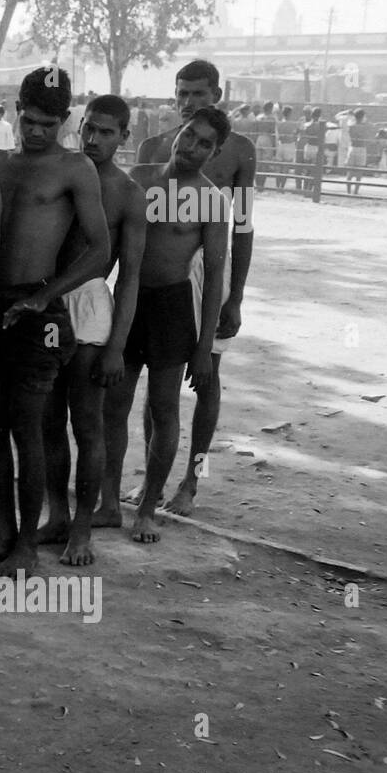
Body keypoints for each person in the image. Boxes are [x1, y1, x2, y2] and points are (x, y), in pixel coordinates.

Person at [0, 66, 109, 578]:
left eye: (47, 122)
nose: (36, 130)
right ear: (15, 111)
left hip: (39, 310)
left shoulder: (74, 168)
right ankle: (1, 535)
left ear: (65, 120)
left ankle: (26, 544)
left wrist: (48, 294)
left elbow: (99, 247)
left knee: (30, 430)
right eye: (29, 119)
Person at [135, 59, 255, 518]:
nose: (188, 104)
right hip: (161, 279)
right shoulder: (153, 147)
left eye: (198, 95)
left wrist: (235, 296)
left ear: (216, 96)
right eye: (182, 94)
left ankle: (191, 480)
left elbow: (241, 227)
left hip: (211, 271)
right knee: (157, 384)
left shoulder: (238, 150)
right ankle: (152, 484)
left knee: (207, 376)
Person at [105, 108, 230, 543]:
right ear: (178, 132)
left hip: (172, 306)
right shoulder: (138, 176)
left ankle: (146, 509)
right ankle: (107, 500)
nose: (191, 147)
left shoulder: (213, 199)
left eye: (204, 144)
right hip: (127, 300)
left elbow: (214, 276)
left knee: (164, 408)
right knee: (114, 403)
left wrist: (204, 345)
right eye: (189, 136)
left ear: (215, 152)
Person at [41, 95, 147, 564]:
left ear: (125, 136)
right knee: (47, 422)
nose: (94, 138)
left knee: (87, 424)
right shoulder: (61, 171)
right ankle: (57, 516)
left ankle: (82, 529)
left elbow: (131, 277)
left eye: (107, 132)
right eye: (89, 128)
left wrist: (116, 347)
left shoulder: (127, 193)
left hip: (90, 309)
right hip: (47, 303)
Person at [347, 108, 371, 194]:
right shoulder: (365, 127)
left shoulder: (351, 126)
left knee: (350, 171)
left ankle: (348, 191)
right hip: (361, 148)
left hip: (352, 147)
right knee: (359, 172)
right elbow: (367, 134)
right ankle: (356, 192)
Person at [275, 105, 298, 190]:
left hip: (281, 144)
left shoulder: (280, 123)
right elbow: (295, 134)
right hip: (289, 144)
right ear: (290, 113)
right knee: (285, 167)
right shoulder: (292, 124)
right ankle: (282, 187)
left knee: (278, 167)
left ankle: (277, 186)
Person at [254, 101, 276, 189]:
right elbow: (272, 130)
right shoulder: (271, 118)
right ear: (270, 108)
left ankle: (257, 183)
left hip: (259, 137)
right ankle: (261, 184)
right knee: (265, 162)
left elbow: (255, 129)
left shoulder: (259, 117)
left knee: (258, 161)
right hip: (267, 137)